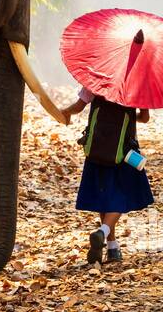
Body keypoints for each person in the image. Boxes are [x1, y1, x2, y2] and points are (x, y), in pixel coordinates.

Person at [64, 88, 152, 264]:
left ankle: (112, 247)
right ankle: (103, 232)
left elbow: (78, 106)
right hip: (124, 153)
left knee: (104, 197)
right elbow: (145, 118)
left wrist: (65, 112)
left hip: (97, 149)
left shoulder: (95, 79)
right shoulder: (137, 85)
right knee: (121, 197)